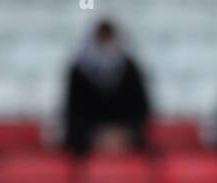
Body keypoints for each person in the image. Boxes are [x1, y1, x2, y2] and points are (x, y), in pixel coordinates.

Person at [63, 21, 151, 155]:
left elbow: (141, 108)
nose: (105, 45)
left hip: (125, 139)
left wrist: (123, 133)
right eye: (102, 39)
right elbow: (72, 110)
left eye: (108, 39)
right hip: (87, 142)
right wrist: (94, 135)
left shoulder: (130, 69)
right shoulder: (79, 71)